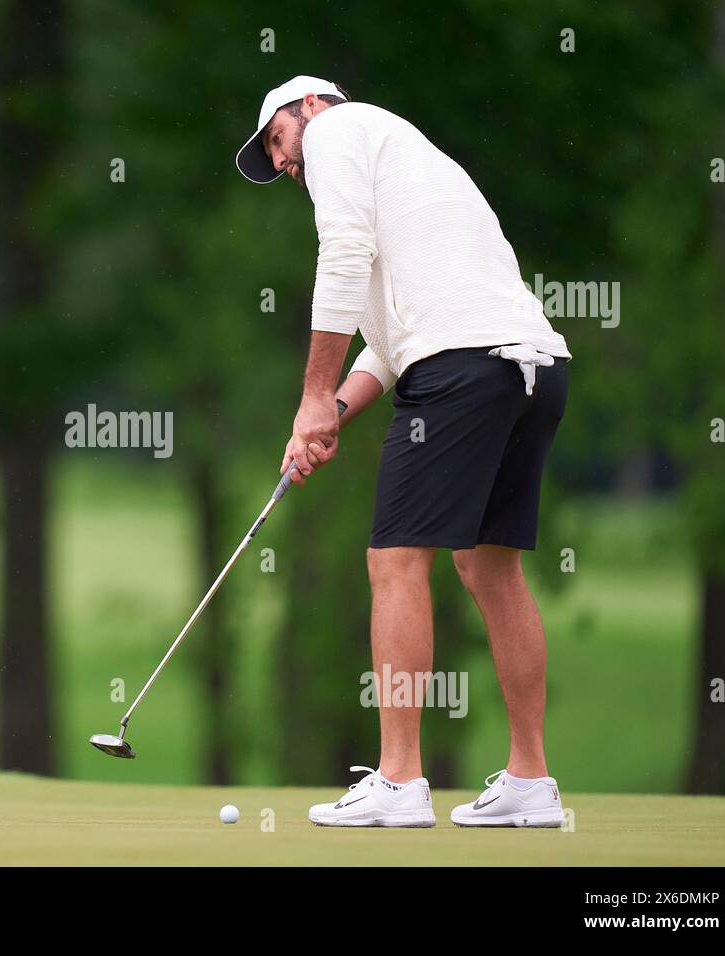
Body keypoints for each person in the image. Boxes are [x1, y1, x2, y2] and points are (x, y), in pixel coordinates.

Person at [236, 75, 570, 828]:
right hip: (534, 371)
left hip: (463, 368)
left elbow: (342, 252)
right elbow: (388, 353)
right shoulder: (410, 169)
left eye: (279, 143)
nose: (286, 164)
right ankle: (531, 782)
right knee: (489, 565)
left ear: (311, 106)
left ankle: (399, 781)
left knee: (395, 560)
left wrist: (312, 394)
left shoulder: (338, 133)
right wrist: (327, 420)